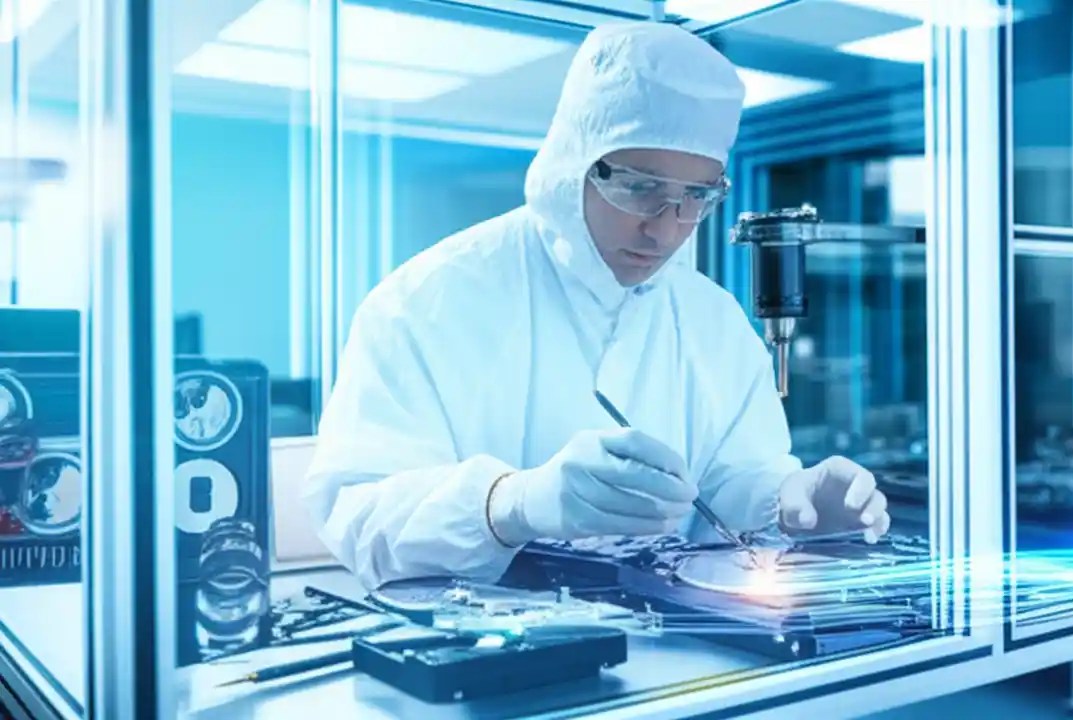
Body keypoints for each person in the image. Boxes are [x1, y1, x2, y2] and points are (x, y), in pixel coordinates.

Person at [304, 21, 891, 590]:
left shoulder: (711, 320)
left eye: (696, 197)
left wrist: (790, 502)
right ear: (574, 162)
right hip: (483, 669)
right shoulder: (427, 302)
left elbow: (733, 479)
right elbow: (358, 518)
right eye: (640, 188)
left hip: (684, 655)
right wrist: (509, 504)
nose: (666, 231)